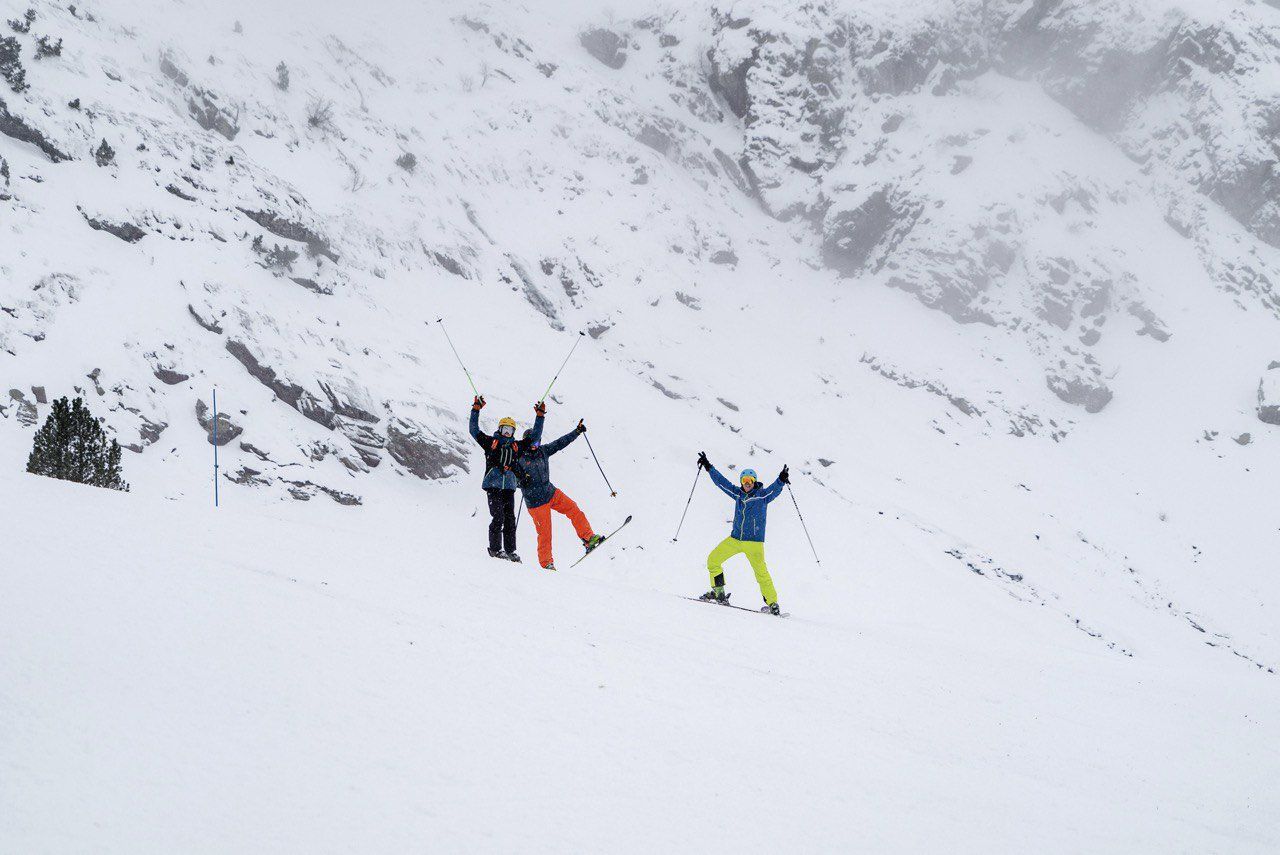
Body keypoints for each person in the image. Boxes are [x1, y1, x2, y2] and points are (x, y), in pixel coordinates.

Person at [696, 451, 788, 615]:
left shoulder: (761, 496)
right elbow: (721, 483)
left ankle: (773, 603)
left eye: (750, 481)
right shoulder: (738, 494)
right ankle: (719, 594)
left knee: (761, 574)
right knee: (713, 560)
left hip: (754, 543)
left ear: (754, 482)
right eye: (744, 481)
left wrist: (781, 480)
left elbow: (774, 490)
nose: (747, 483)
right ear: (741, 482)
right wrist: (709, 467)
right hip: (735, 539)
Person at [512, 418, 604, 570]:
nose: (535, 446)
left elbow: (561, 442)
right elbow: (513, 480)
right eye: (532, 443)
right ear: (525, 442)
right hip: (536, 503)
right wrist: (521, 481)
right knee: (545, 534)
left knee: (573, 509)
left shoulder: (543, 451)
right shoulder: (519, 458)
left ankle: (589, 539)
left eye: (537, 442)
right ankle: (546, 563)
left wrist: (577, 432)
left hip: (550, 492)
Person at [468, 397, 545, 561]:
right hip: (493, 485)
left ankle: (510, 551)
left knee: (510, 518)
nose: (507, 433)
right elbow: (474, 430)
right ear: (500, 429)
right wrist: (476, 409)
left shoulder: (516, 446)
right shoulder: (491, 443)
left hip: (509, 487)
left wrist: (540, 416)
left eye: (510, 430)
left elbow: (535, 436)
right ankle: (495, 549)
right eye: (505, 430)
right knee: (498, 517)